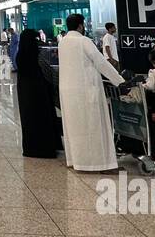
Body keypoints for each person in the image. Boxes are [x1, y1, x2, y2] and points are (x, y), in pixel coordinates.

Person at [57, 13, 125, 172]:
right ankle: (101, 164)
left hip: (68, 91)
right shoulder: (83, 41)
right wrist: (120, 81)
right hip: (86, 89)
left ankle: (77, 160)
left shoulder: (63, 42)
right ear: (80, 25)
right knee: (95, 127)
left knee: (75, 128)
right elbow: (101, 62)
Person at [15, 29, 60, 158]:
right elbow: (48, 73)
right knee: (43, 120)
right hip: (40, 94)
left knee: (29, 121)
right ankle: (45, 148)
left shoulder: (20, 55)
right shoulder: (37, 54)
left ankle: (31, 148)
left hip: (25, 95)